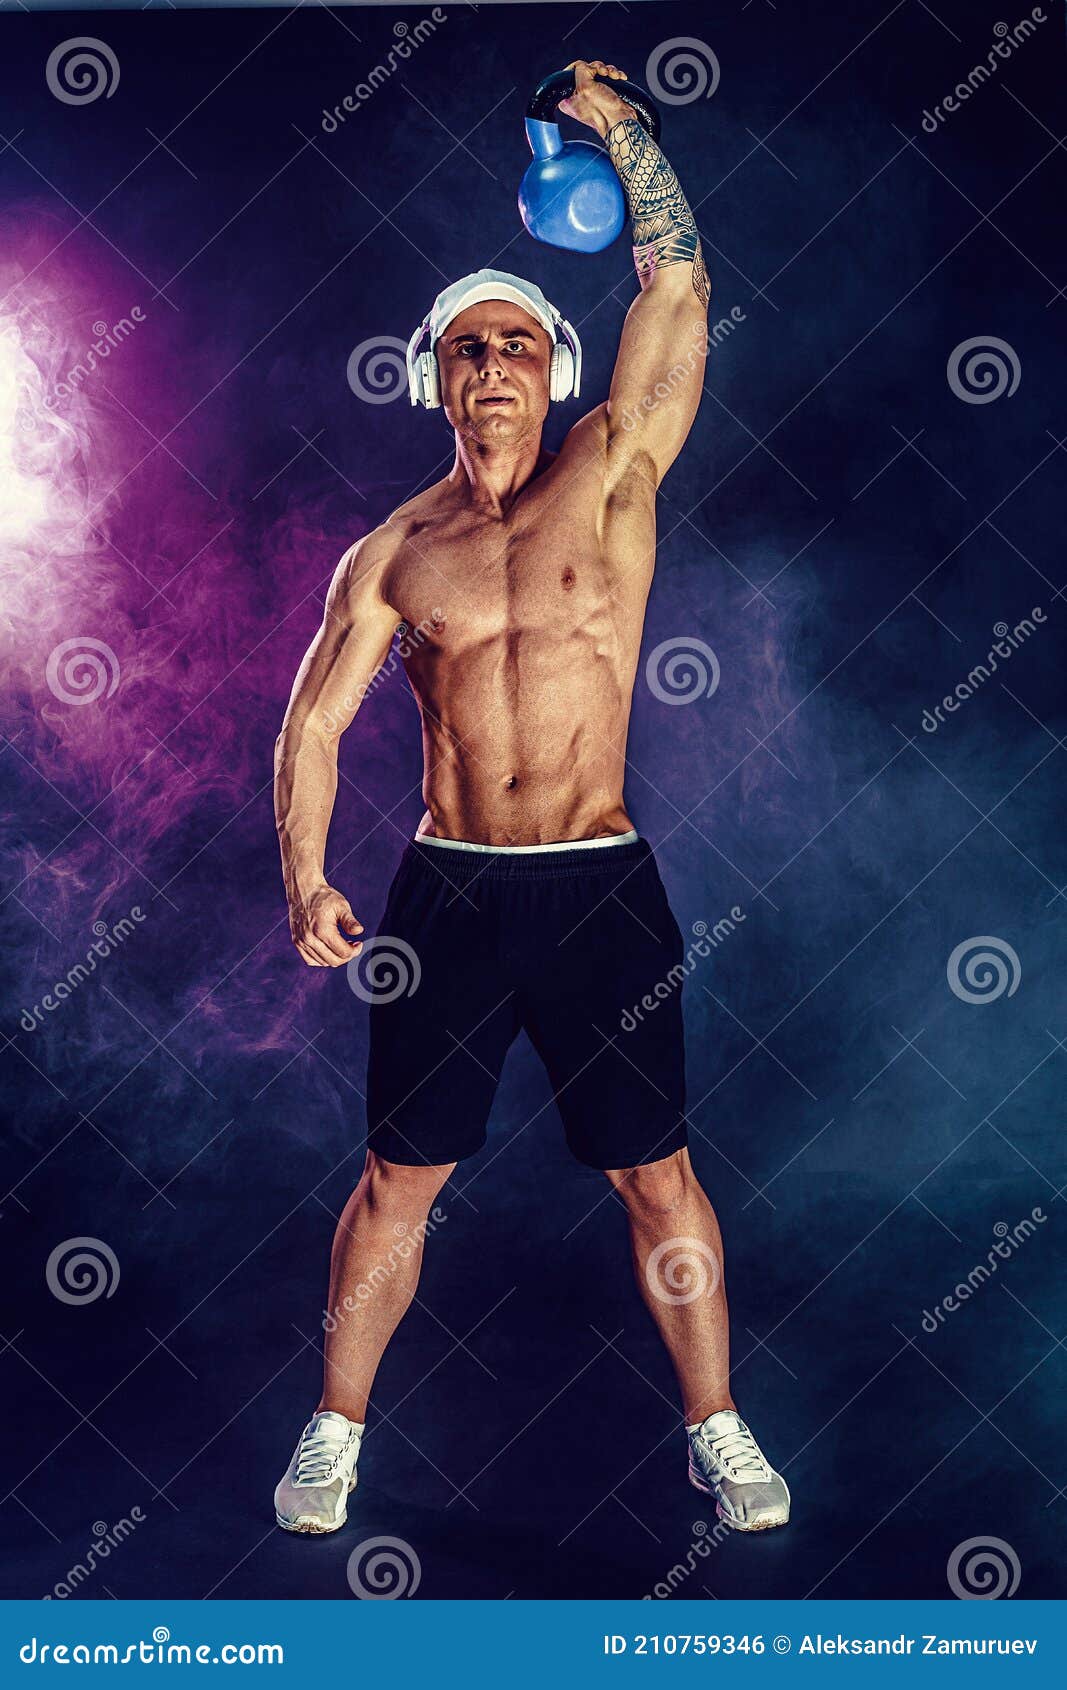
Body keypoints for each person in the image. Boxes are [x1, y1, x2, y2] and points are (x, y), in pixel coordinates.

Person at [272, 59, 789, 1539]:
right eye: (464, 347)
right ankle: (335, 1431)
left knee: (657, 1170)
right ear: (435, 375)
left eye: (515, 340)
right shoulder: (390, 552)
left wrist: (625, 133)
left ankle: (720, 1424)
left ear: (554, 366)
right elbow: (313, 719)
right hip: (450, 887)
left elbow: (677, 292)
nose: (490, 362)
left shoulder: (615, 470)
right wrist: (304, 874)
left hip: (598, 882)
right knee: (394, 1179)